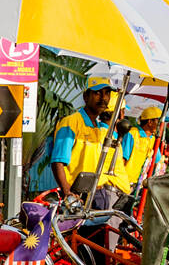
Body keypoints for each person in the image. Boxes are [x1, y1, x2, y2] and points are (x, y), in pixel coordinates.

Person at [50, 76, 131, 209]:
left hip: (98, 192)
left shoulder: (98, 128)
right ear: (86, 97)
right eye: (97, 93)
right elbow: (57, 161)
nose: (103, 98)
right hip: (77, 195)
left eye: (107, 93)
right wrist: (67, 193)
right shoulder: (71, 122)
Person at [123, 106, 163, 188]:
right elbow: (122, 159)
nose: (161, 125)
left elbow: (157, 160)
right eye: (158, 122)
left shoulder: (153, 139)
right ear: (150, 122)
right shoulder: (132, 133)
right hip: (125, 182)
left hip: (139, 185)